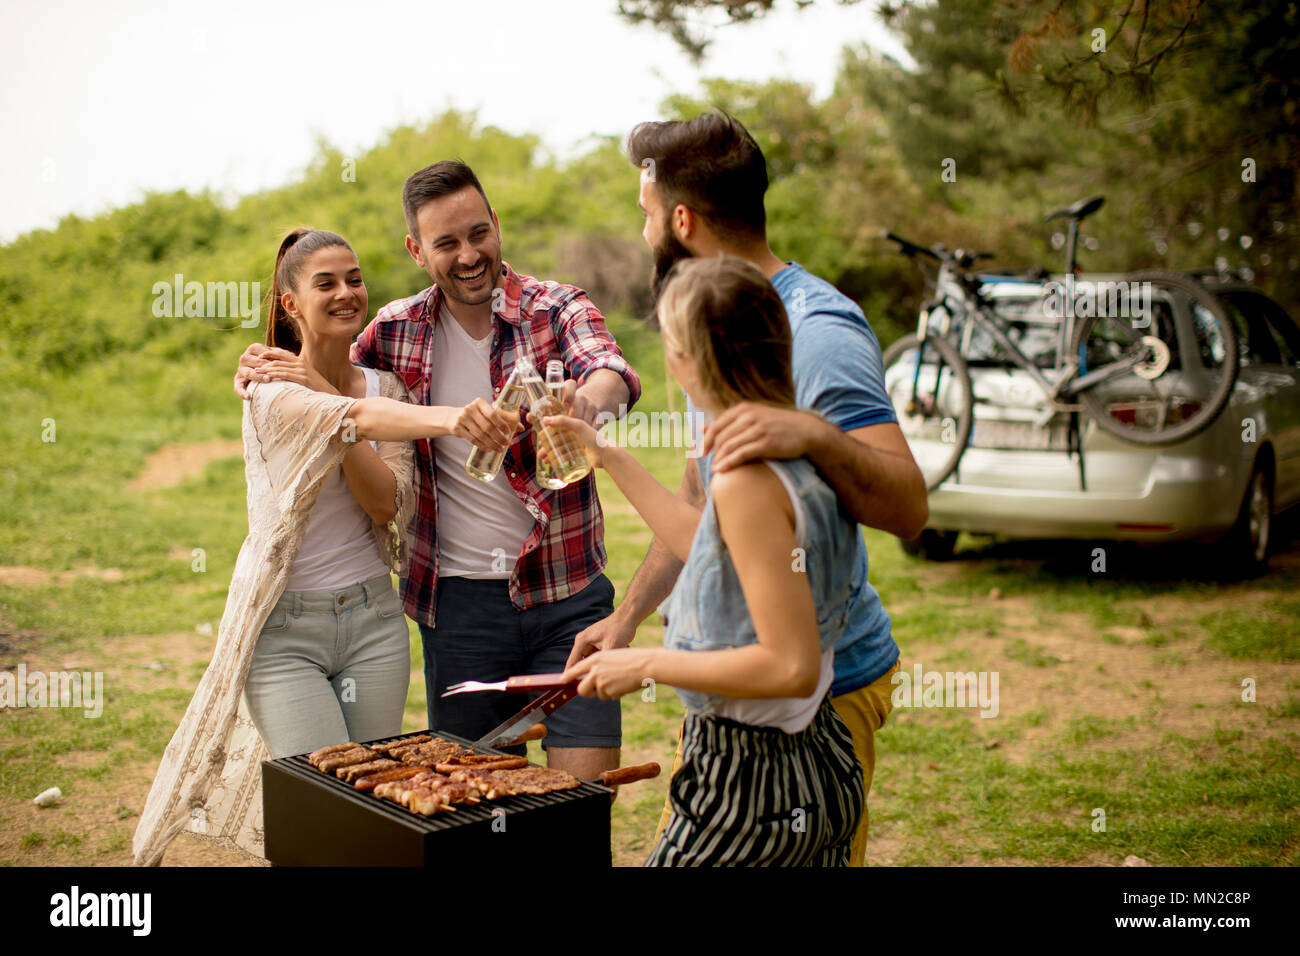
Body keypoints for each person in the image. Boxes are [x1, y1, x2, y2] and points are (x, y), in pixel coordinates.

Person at [566, 111, 929, 865]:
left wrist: (819, 435)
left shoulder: (815, 331)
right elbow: (710, 525)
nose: (642, 237)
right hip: (742, 710)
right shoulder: (721, 319)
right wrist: (631, 614)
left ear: (682, 219)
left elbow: (909, 508)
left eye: (645, 218)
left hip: (813, 702)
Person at [235, 162, 641, 780]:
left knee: (581, 804)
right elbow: (338, 369)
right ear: (417, 251)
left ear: (497, 226)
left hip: (568, 600)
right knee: (480, 813)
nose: (469, 254)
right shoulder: (395, 332)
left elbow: (609, 367)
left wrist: (592, 399)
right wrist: (268, 362)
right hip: (459, 613)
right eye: (446, 243)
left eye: (479, 233)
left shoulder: (556, 308)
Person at [134, 227, 522, 866]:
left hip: (372, 624)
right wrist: (452, 417)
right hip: (285, 634)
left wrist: (335, 398)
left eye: (355, 278)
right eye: (326, 283)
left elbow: (383, 504)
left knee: (372, 807)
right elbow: (353, 420)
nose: (347, 293)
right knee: (321, 816)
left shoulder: (386, 390)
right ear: (290, 303)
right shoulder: (269, 388)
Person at [552, 256, 864, 865]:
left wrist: (649, 663)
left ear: (687, 359)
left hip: (748, 784)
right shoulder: (800, 436)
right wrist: (609, 455)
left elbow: (790, 666)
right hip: (819, 759)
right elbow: (715, 548)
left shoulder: (748, 477)